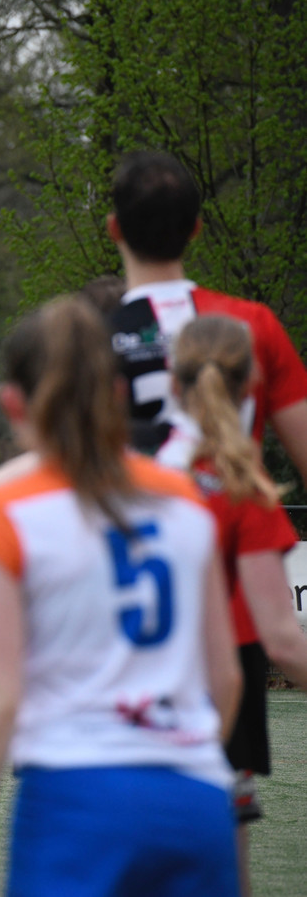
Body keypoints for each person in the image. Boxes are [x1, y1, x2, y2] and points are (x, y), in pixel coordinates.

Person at [0, 298, 242, 897]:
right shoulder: (184, 497)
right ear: (118, 393)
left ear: (12, 403)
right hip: (199, 799)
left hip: (75, 795)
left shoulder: (5, 508)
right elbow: (225, 678)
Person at [156, 315, 307, 896]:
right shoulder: (240, 482)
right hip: (223, 685)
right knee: (220, 872)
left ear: (172, 382)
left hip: (127, 690)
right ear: (251, 389)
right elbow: (284, 641)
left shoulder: (121, 476)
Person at [105, 150, 307, 467]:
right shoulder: (253, 323)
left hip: (141, 499)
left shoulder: (92, 340)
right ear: (196, 229)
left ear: (114, 228)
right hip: (242, 498)